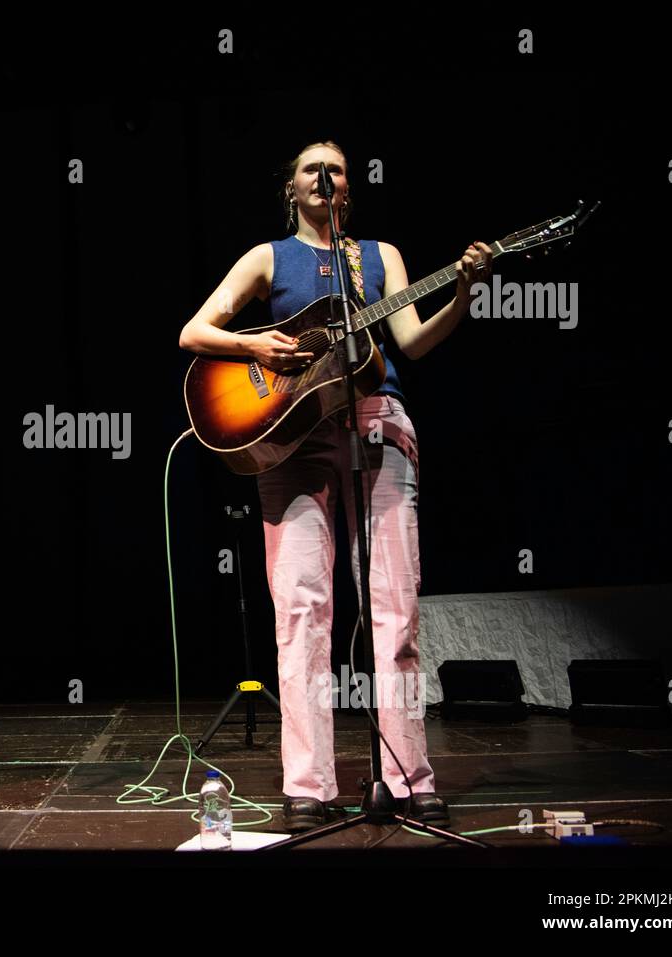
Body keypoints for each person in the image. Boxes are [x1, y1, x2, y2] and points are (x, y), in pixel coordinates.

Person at [179, 142, 492, 832]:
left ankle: (412, 775)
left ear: (348, 188)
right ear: (291, 186)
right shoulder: (269, 257)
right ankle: (309, 782)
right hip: (291, 442)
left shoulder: (379, 257)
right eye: (312, 168)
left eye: (338, 168)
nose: (327, 177)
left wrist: (466, 291)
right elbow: (193, 330)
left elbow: (410, 342)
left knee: (395, 612)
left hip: (378, 426)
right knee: (299, 612)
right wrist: (256, 345)